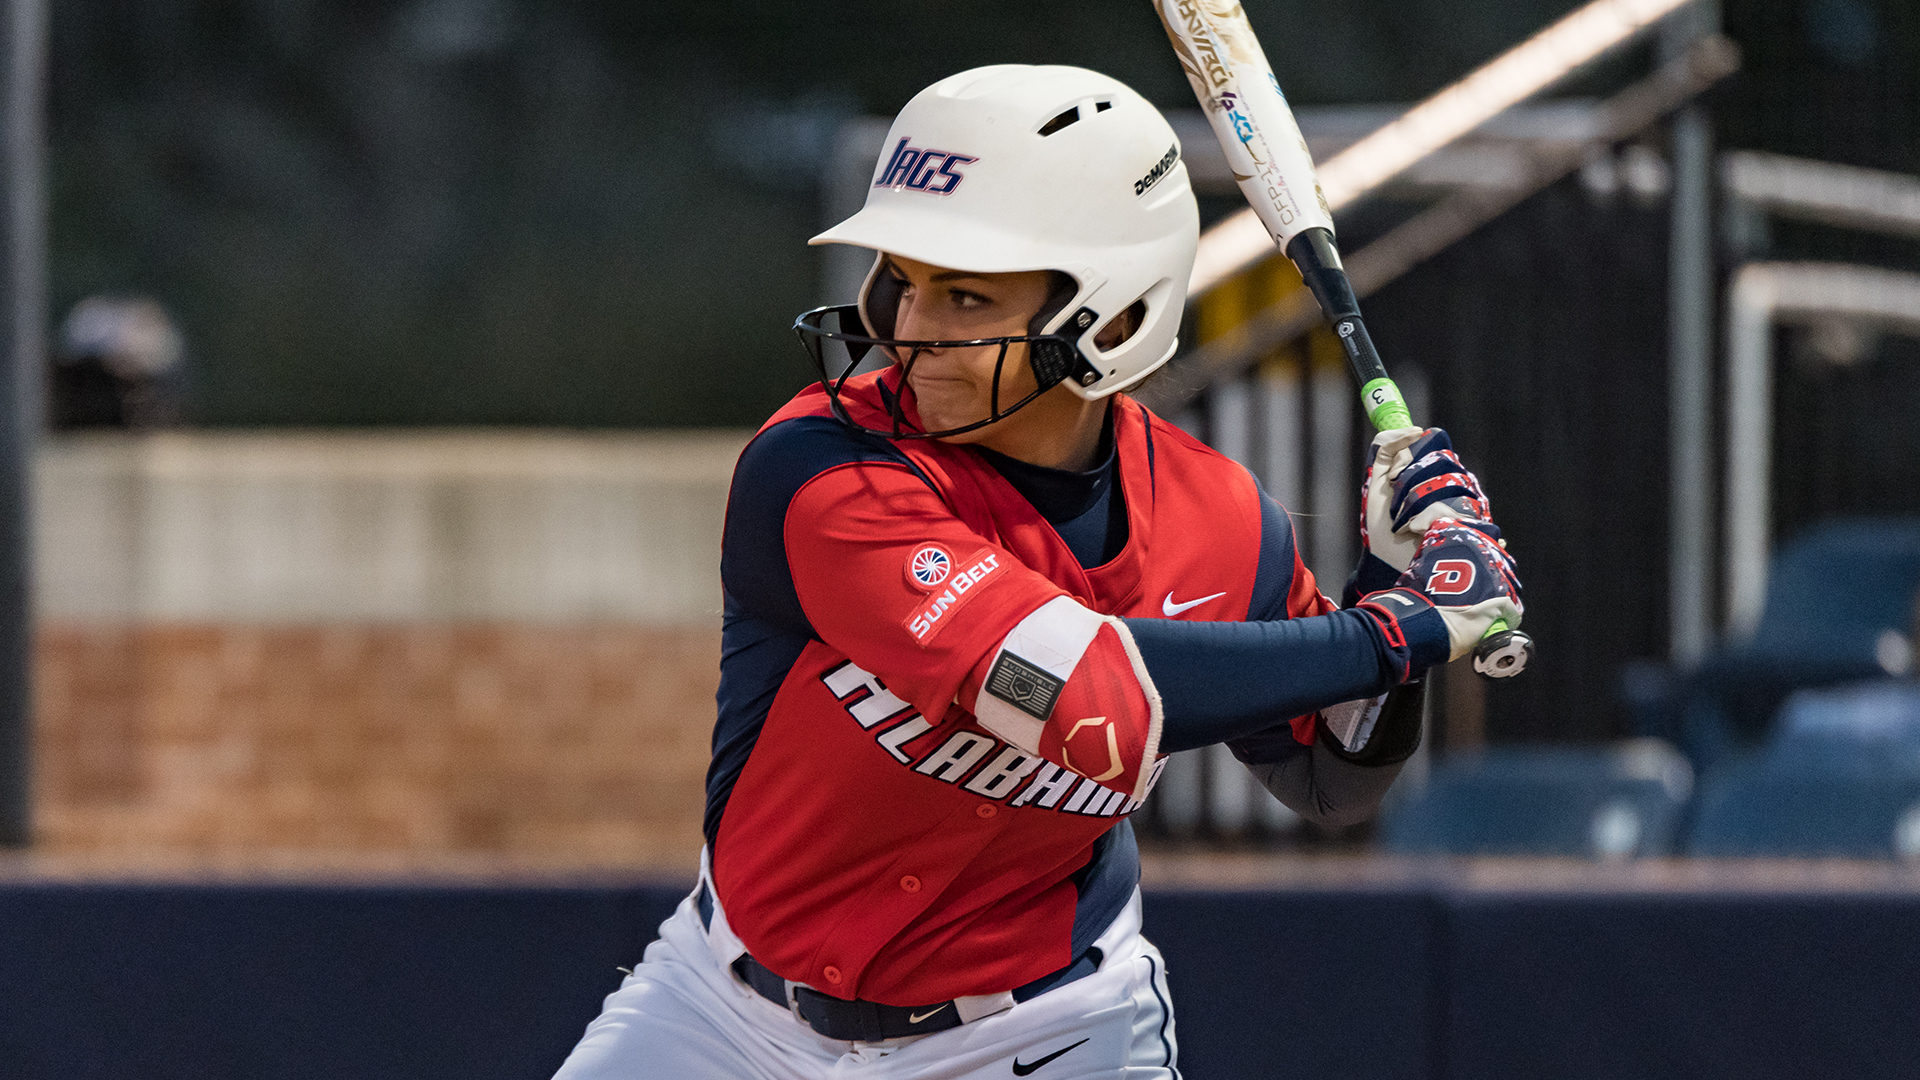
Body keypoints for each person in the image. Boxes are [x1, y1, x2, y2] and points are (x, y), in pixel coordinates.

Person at [553, 64, 1521, 1080]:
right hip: (724, 1020)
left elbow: (1330, 774)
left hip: (1045, 1038)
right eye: (902, 280)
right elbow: (1084, 698)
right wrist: (1403, 631)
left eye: (964, 295)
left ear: (1107, 323)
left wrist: (1393, 582)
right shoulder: (826, 470)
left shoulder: (1220, 520)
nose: (908, 331)